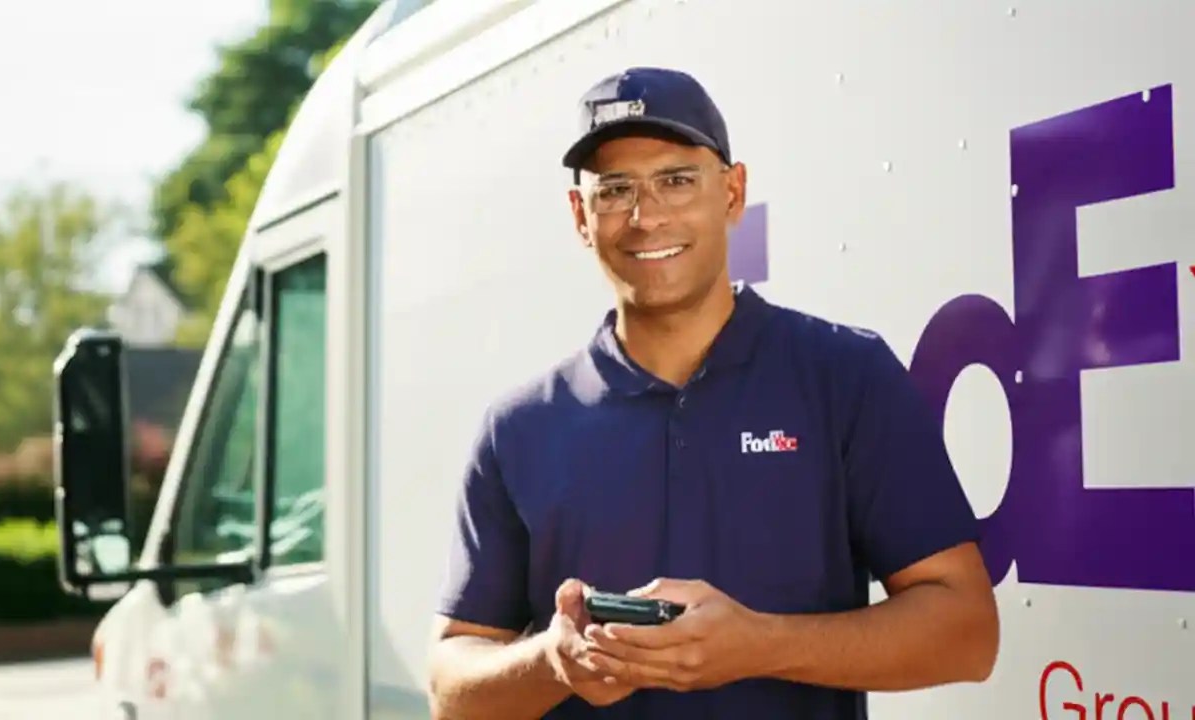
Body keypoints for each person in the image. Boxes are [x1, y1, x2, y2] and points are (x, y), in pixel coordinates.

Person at [426, 66, 999, 719]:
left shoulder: (846, 376)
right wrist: (554, 662)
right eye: (615, 190)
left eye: (675, 180)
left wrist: (758, 646)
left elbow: (967, 634)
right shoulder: (519, 428)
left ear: (733, 193)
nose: (646, 217)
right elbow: (450, 690)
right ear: (581, 216)